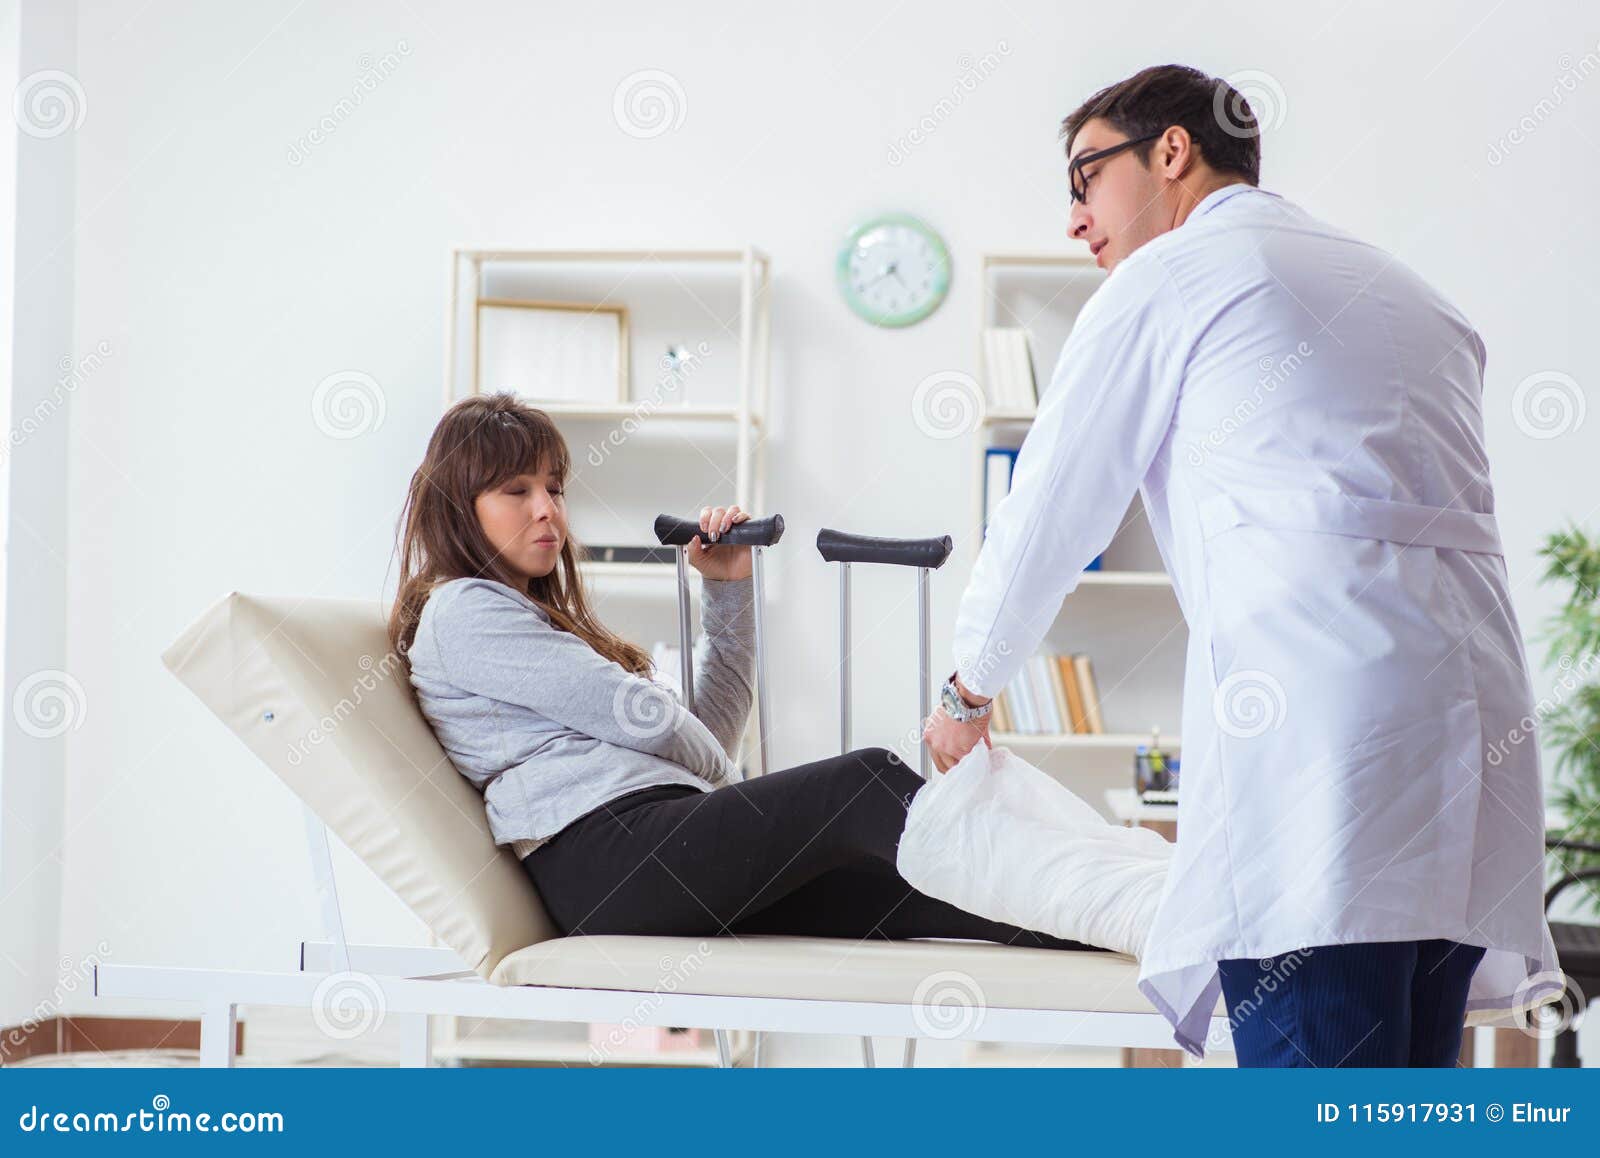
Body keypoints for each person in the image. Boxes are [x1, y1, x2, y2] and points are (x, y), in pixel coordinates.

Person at [921, 63, 1562, 1066]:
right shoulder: (1407, 292)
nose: (1075, 220)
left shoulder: (1169, 278)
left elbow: (1049, 507)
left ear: (1170, 151)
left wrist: (966, 691)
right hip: (1470, 738)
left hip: (1321, 744)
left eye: (1085, 178)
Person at [388, 391, 1097, 954]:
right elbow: (654, 721)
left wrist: (726, 586)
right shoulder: (462, 610)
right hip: (603, 861)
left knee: (910, 890)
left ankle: (1105, 921)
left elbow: (707, 728)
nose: (547, 510)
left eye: (554, 487)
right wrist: (728, 785)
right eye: (516, 491)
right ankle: (1071, 883)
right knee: (865, 783)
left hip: (654, 843)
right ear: (461, 505)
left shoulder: (525, 615)